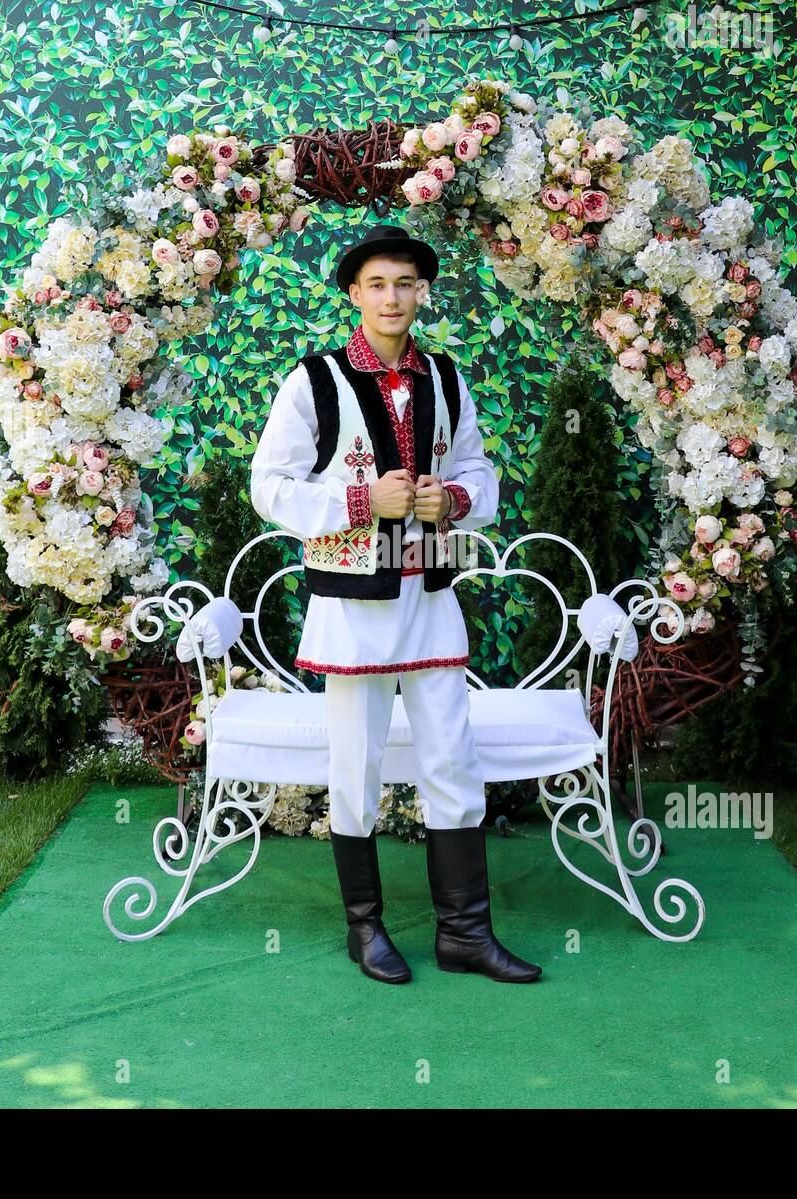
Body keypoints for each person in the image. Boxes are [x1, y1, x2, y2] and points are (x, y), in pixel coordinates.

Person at [250, 224, 542, 985]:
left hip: (430, 593)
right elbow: (269, 487)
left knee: (454, 757)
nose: (393, 297)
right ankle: (365, 927)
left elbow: (478, 466)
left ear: (423, 293)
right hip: (353, 604)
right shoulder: (312, 380)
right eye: (378, 283)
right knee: (357, 765)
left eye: (406, 283)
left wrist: (455, 497)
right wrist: (360, 498)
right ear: (355, 293)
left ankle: (466, 933)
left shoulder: (446, 376)